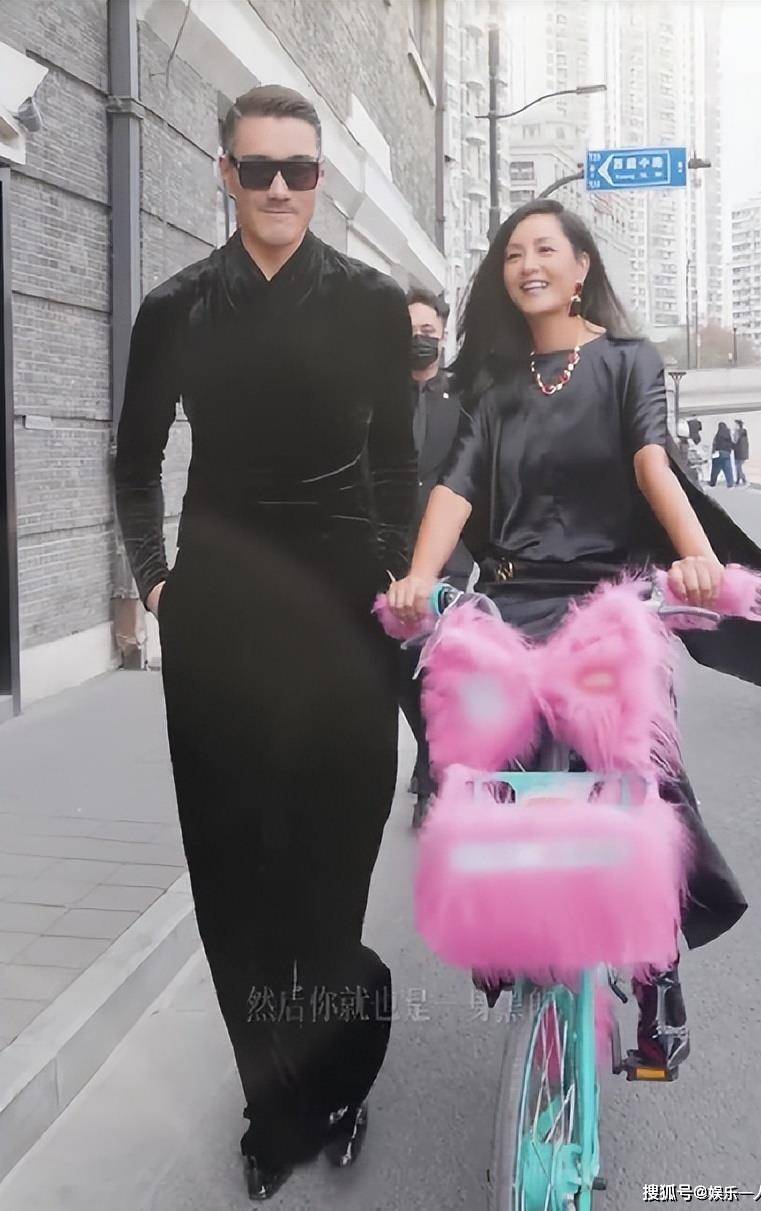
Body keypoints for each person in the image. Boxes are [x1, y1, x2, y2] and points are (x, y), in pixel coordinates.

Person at [385, 199, 761, 1074]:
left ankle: (655, 967)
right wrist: (419, 578)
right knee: (472, 770)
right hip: (508, 602)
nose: (527, 264)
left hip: (607, 602)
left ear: (579, 269)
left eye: (545, 249)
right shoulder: (491, 383)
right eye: (512, 253)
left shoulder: (625, 361)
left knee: (641, 778)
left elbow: (651, 460)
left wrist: (696, 558)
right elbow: (455, 487)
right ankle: (508, 930)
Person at [114, 85, 417, 1200]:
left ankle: (333, 1070)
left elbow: (397, 457)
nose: (279, 187)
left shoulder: (373, 305)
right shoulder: (175, 309)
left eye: (299, 169)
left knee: (328, 871)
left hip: (344, 618)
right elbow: (133, 458)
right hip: (221, 626)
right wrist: (155, 579)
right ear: (225, 174)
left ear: (321, 179)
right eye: (258, 168)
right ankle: (272, 1104)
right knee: (236, 878)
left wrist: (394, 570)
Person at [400, 288, 475, 828]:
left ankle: (431, 778)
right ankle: (427, 754)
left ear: (443, 334)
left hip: (448, 556)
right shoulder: (379, 396)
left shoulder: (464, 398)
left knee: (435, 670)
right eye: (410, 331)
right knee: (402, 672)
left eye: (428, 331)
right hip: (389, 555)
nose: (419, 339)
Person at [709, 422, 735, 488]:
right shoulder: (728, 435)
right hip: (726, 454)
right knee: (728, 470)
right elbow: (732, 445)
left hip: (718, 453)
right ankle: (730, 484)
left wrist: (713, 453)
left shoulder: (717, 435)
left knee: (715, 469)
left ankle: (712, 483)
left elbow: (714, 444)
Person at [733, 419, 750, 486]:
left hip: (738, 452)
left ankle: (743, 480)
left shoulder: (737, 432)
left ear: (738, 425)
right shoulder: (744, 432)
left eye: (735, 424)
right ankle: (738, 481)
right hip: (744, 452)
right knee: (738, 467)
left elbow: (735, 441)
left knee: (738, 467)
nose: (734, 426)